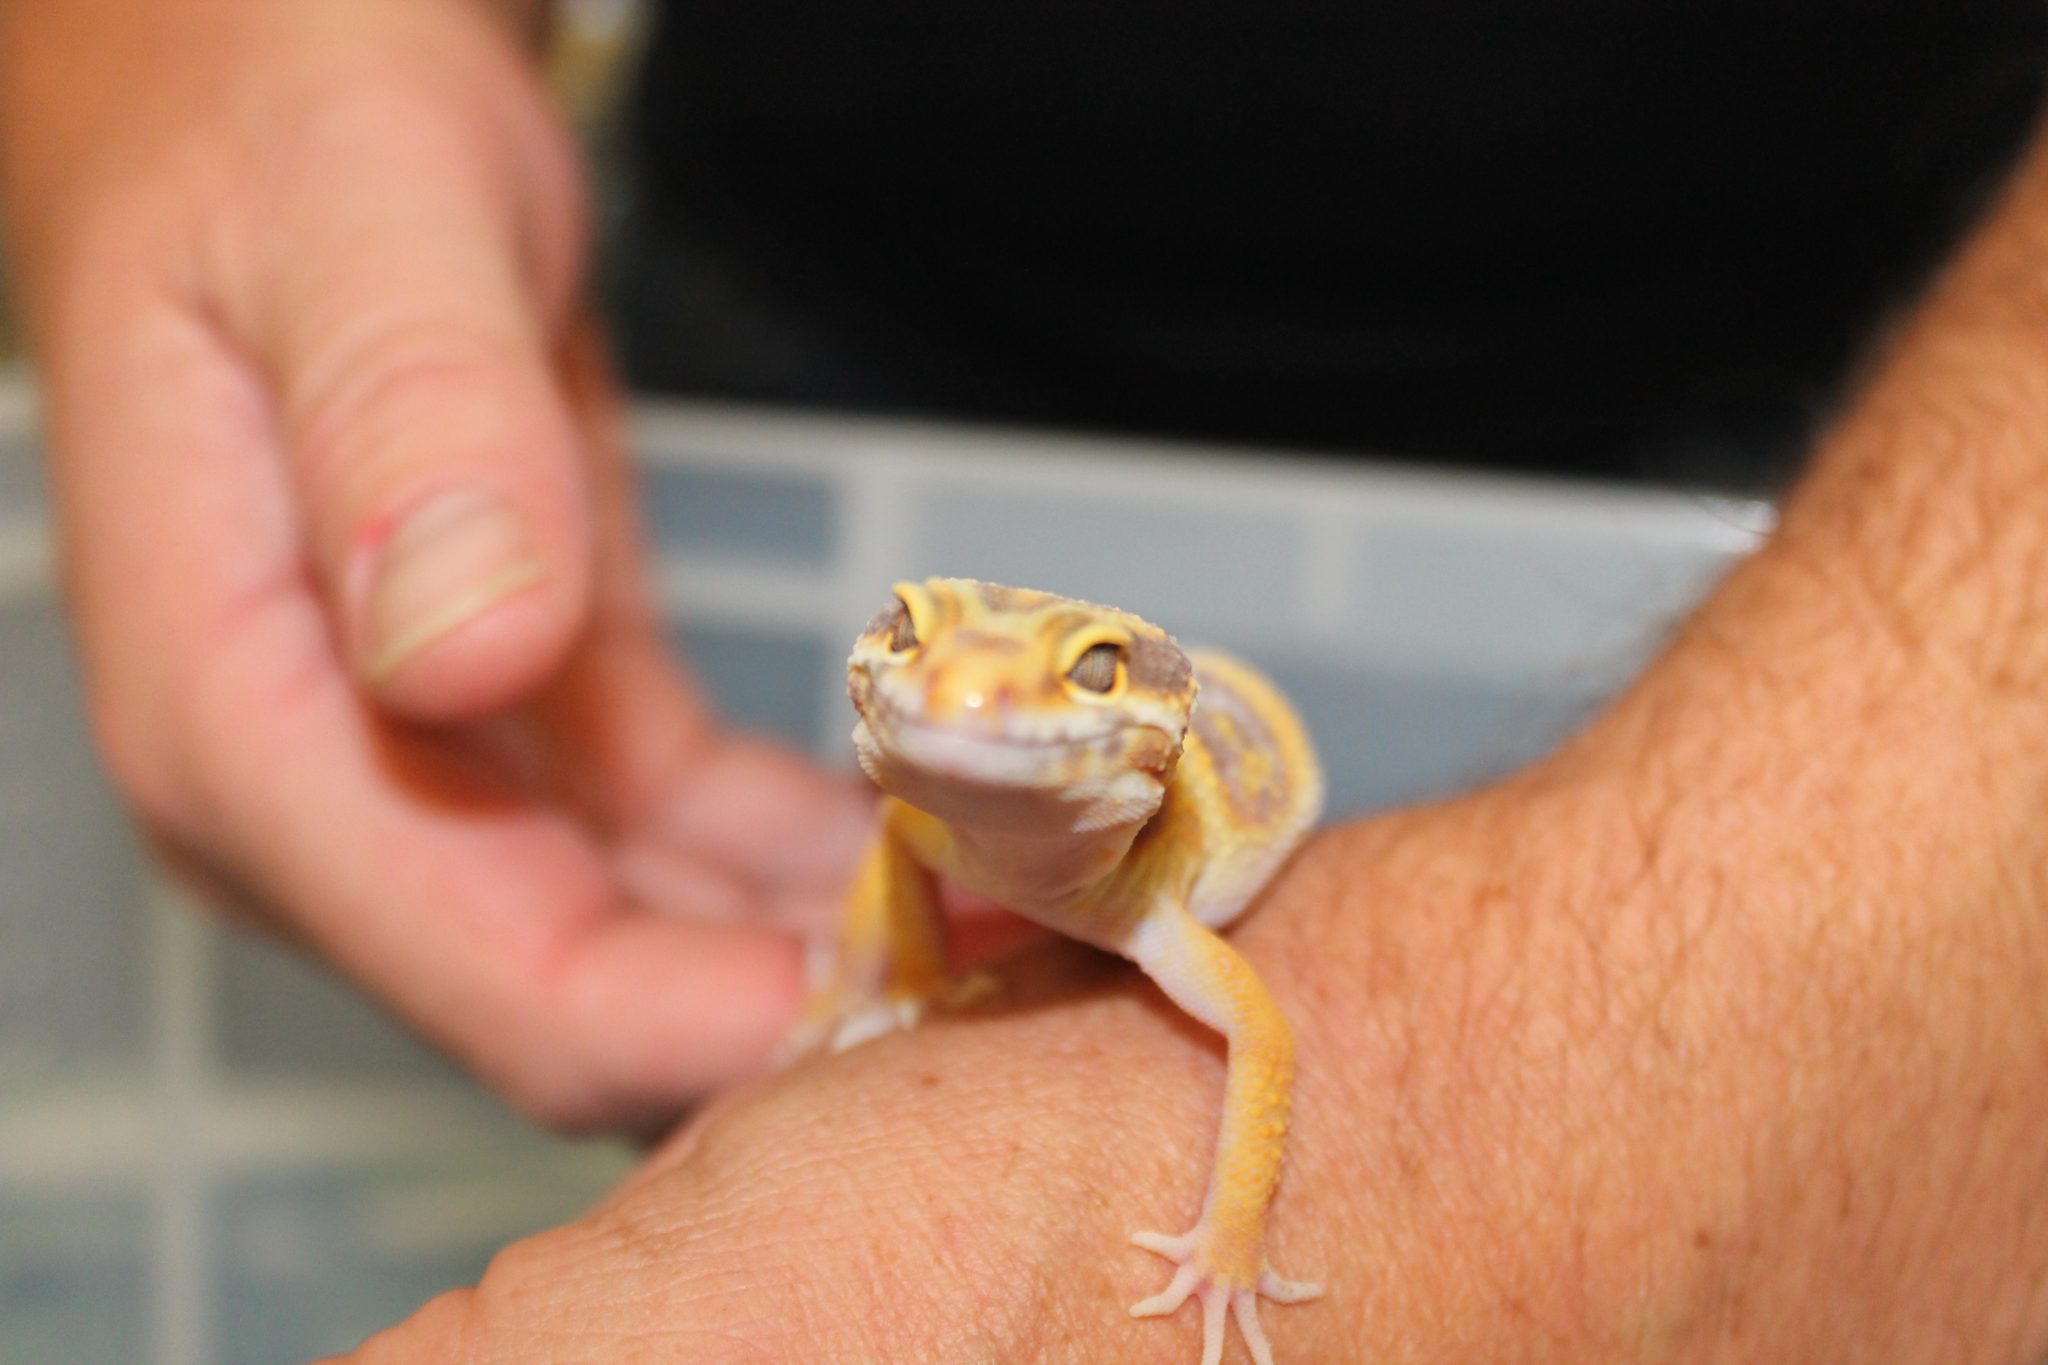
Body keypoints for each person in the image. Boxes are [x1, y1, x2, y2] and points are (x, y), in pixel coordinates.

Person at [4, 1, 2047, 1358]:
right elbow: (916, 831)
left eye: (1054, 680)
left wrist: (1232, 1248)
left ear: (1141, 721)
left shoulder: (1173, 903)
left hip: (1839, 355)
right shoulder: (928, 806)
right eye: (912, 655)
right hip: (788, 274)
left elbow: (1259, 1062)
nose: (970, 703)